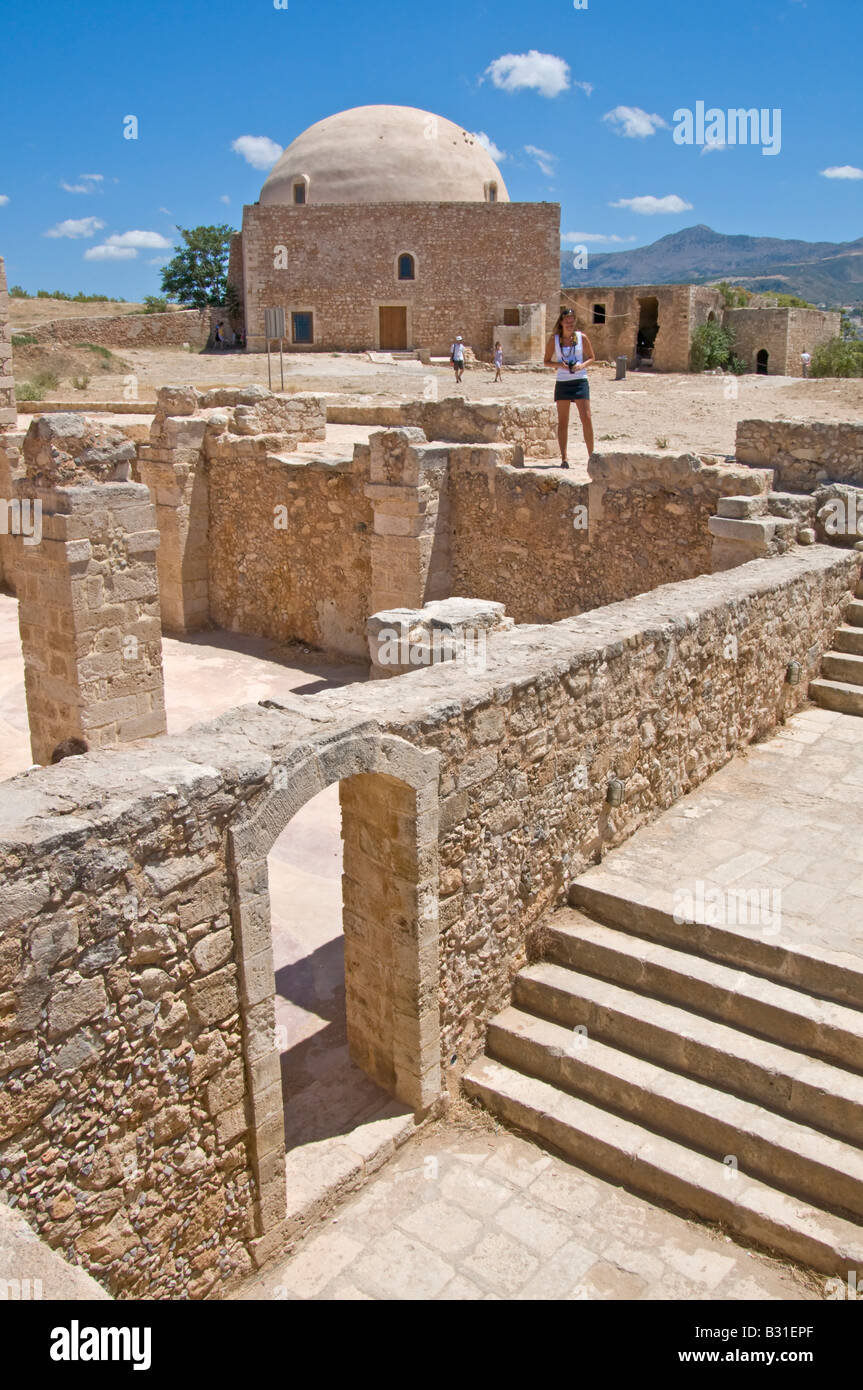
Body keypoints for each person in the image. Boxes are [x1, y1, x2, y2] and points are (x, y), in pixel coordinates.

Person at [544, 308, 595, 468]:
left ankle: (592, 458)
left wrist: (581, 366)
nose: (570, 323)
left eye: (572, 320)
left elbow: (592, 357)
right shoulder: (555, 340)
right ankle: (564, 458)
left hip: (580, 379)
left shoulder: (582, 338)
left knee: (586, 418)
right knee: (563, 421)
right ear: (561, 322)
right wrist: (560, 364)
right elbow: (546, 361)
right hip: (563, 381)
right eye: (567, 320)